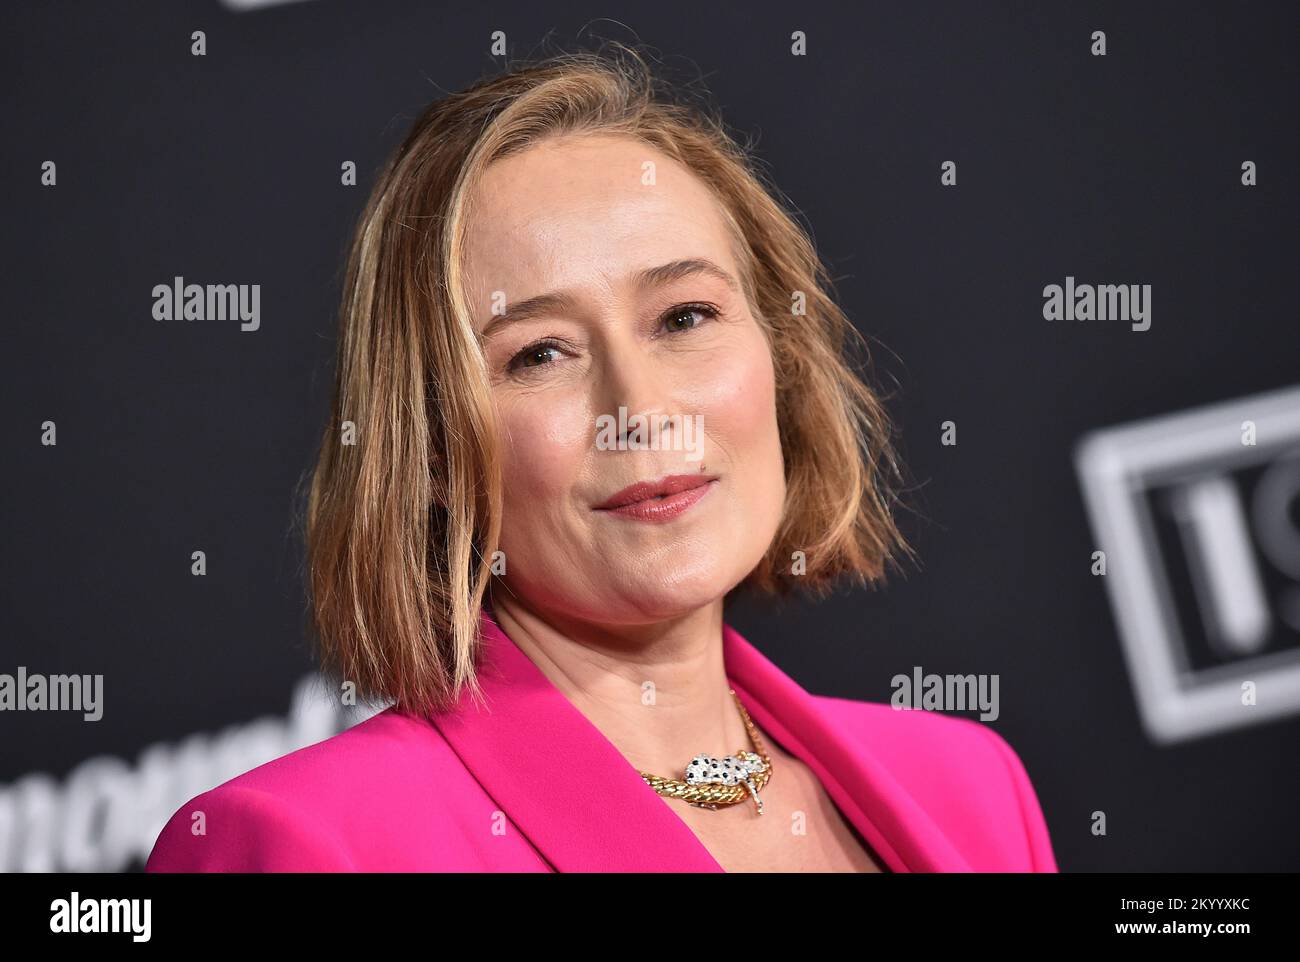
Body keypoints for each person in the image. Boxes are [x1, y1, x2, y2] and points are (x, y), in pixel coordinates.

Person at [146, 46, 1056, 873]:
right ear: (427, 446)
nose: (642, 412)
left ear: (781, 356)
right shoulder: (307, 844)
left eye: (685, 318)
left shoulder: (970, 787)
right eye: (539, 353)